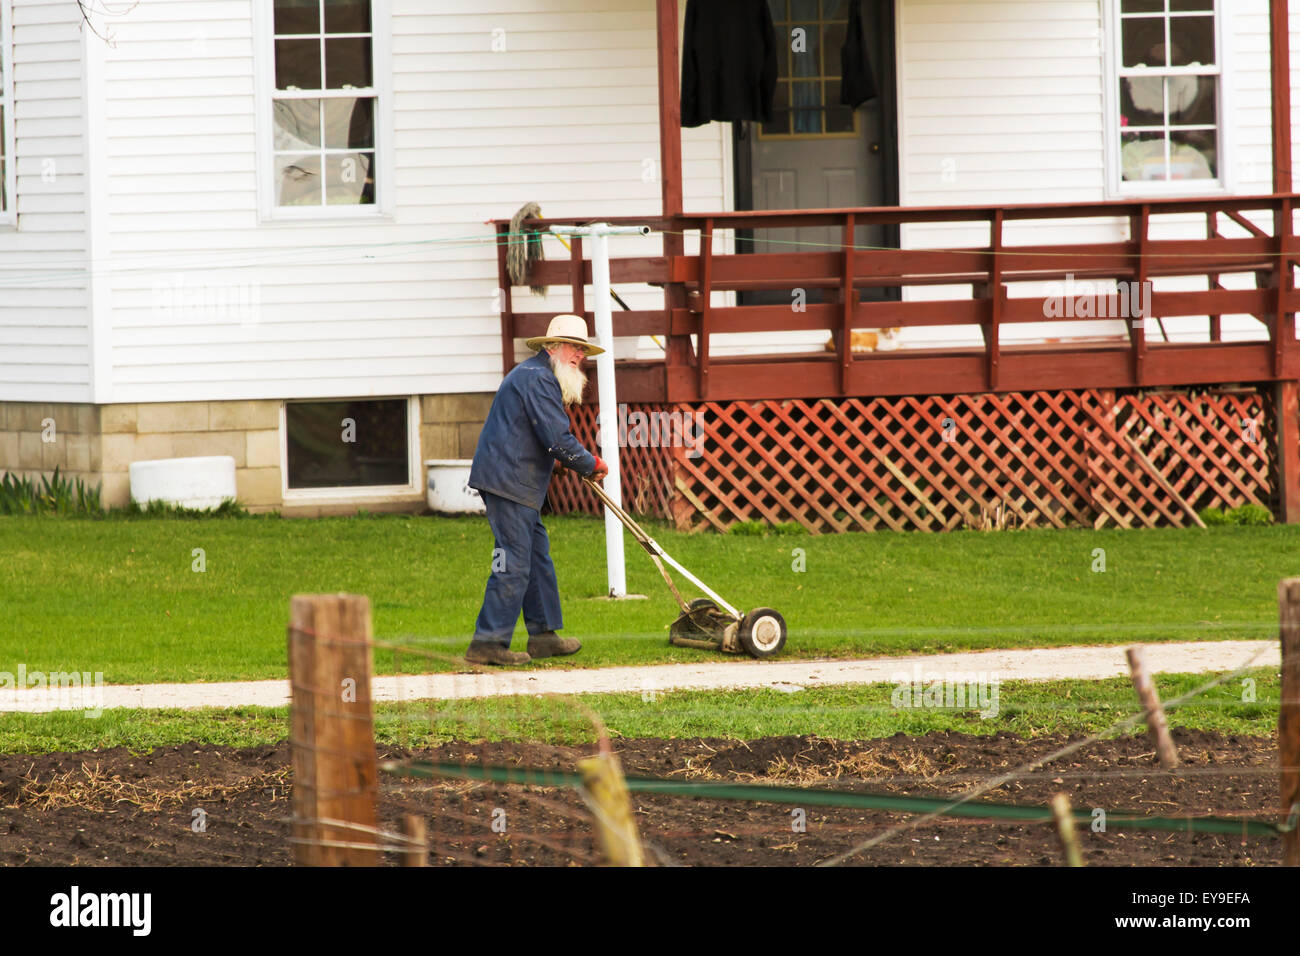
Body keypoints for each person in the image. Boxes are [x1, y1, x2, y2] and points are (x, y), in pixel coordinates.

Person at [464, 314, 610, 666]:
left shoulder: (535, 375)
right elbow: (556, 438)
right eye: (575, 348)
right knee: (512, 562)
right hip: (508, 482)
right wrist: (590, 463)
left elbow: (531, 434)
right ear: (552, 347)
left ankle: (543, 636)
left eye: (583, 350)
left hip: (512, 479)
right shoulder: (539, 380)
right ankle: (487, 644)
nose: (580, 356)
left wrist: (561, 463)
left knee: (536, 557)